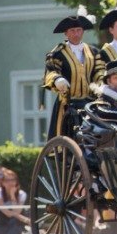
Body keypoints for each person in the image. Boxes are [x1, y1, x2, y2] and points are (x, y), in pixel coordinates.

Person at [43, 7, 105, 138]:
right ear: (66, 33)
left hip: (90, 101)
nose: (76, 34)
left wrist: (100, 85)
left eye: (79, 30)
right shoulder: (57, 53)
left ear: (83, 31)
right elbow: (51, 71)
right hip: (67, 103)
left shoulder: (94, 52)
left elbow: (99, 71)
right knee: (67, 135)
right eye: (72, 31)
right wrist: (57, 79)